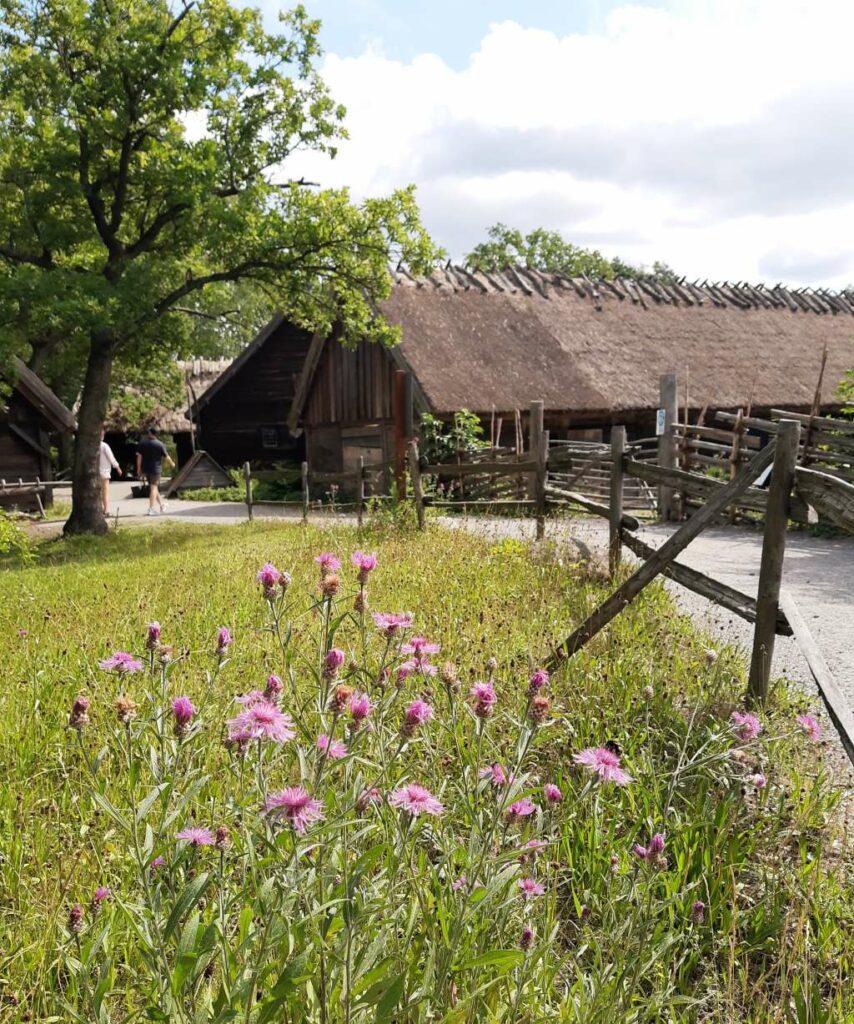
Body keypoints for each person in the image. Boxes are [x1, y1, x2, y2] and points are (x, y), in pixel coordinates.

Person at [135, 427, 175, 516]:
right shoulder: (160, 444)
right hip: (156, 469)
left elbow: (139, 458)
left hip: (146, 469)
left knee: (154, 488)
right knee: (154, 488)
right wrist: (172, 464)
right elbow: (166, 456)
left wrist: (139, 469)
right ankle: (151, 509)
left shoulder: (142, 444)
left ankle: (161, 505)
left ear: (150, 433)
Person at [99, 429, 122, 516]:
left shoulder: (91, 446)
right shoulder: (104, 446)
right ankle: (105, 510)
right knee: (105, 492)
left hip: (95, 472)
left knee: (98, 492)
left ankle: (101, 508)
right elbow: (111, 458)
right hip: (104, 472)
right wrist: (117, 467)